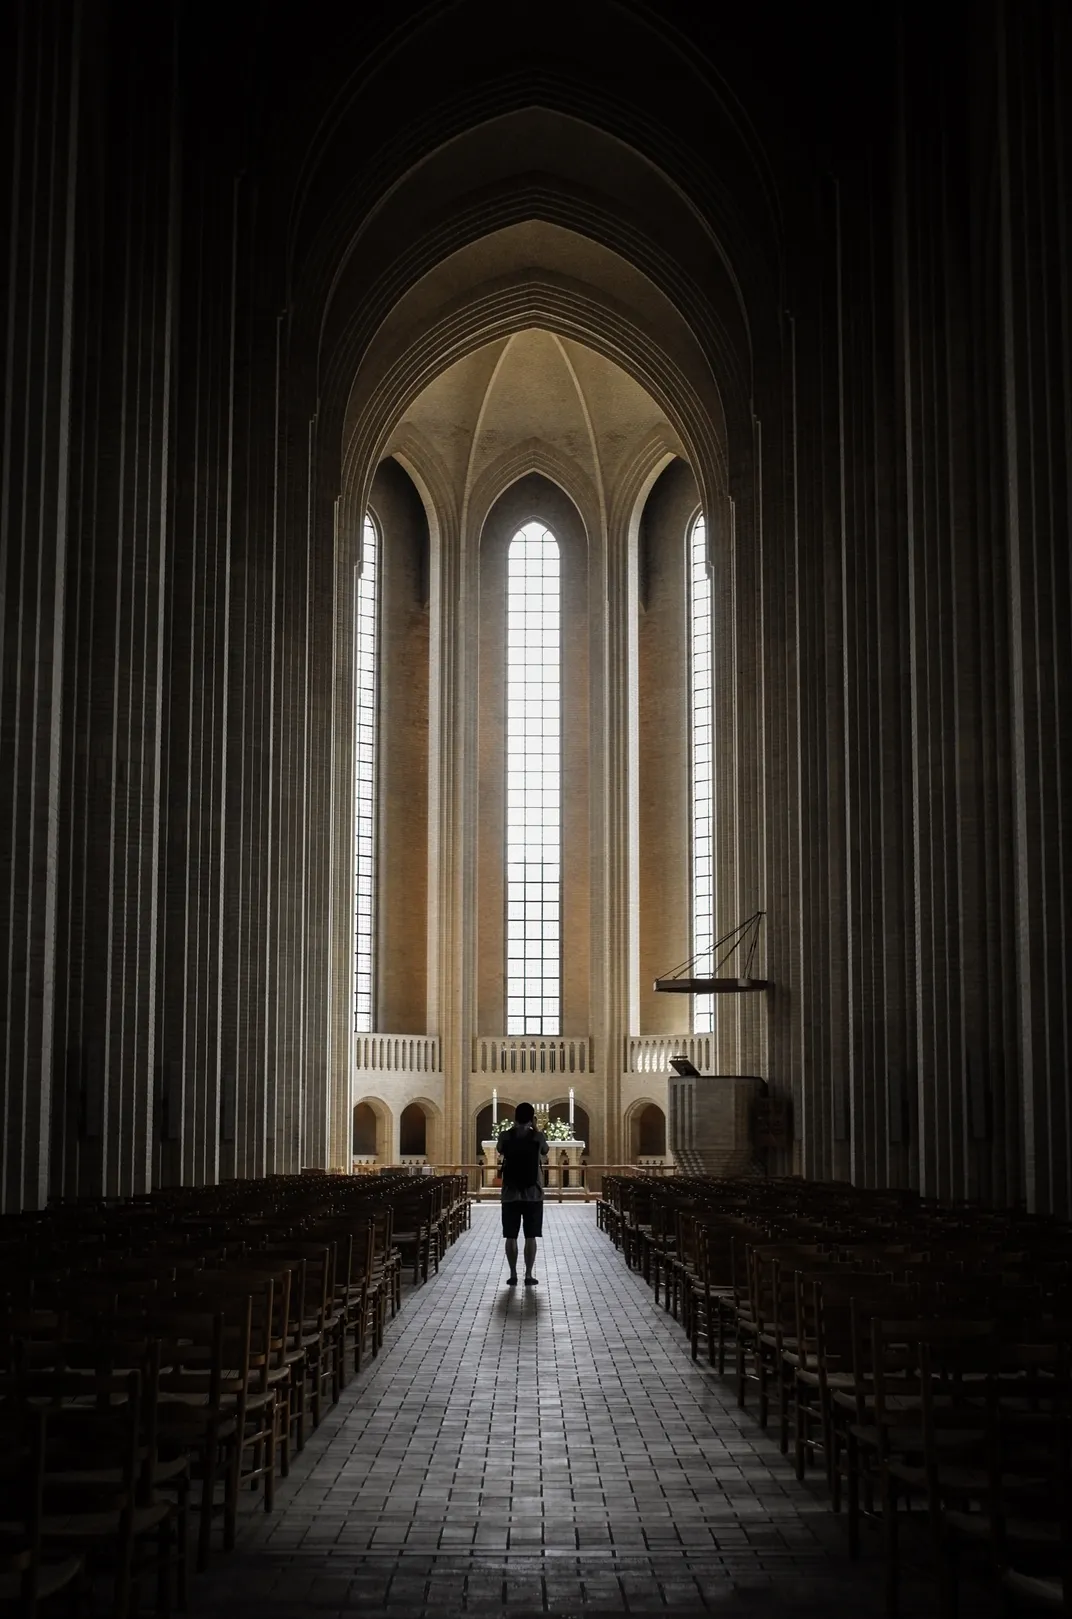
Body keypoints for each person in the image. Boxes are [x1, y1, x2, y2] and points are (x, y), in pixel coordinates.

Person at [496, 1102, 549, 1286]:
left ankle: (512, 1274)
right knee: (530, 1235)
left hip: (510, 1193)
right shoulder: (538, 1136)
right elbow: (545, 1150)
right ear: (532, 1117)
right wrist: (535, 1127)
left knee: (510, 1235)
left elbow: (499, 1149)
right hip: (532, 1193)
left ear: (515, 1117)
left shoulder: (505, 1136)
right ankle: (528, 1274)